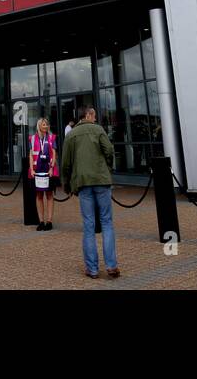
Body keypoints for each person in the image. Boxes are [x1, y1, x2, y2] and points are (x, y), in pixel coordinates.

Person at [60, 106, 119, 279]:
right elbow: (109, 151)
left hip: (83, 183)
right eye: (93, 115)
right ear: (87, 115)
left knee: (89, 225)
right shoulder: (98, 129)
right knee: (107, 222)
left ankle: (92, 269)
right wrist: (107, 169)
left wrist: (67, 184)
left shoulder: (71, 135)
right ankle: (111, 265)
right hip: (101, 181)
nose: (95, 118)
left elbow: (65, 163)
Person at [29, 117, 59, 231]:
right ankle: (41, 221)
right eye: (43, 124)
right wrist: (31, 169)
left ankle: (49, 221)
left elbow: (54, 154)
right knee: (39, 196)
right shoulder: (32, 139)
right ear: (39, 126)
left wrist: (51, 168)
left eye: (47, 124)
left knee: (50, 195)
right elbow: (31, 155)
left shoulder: (51, 137)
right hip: (37, 171)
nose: (46, 126)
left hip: (48, 171)